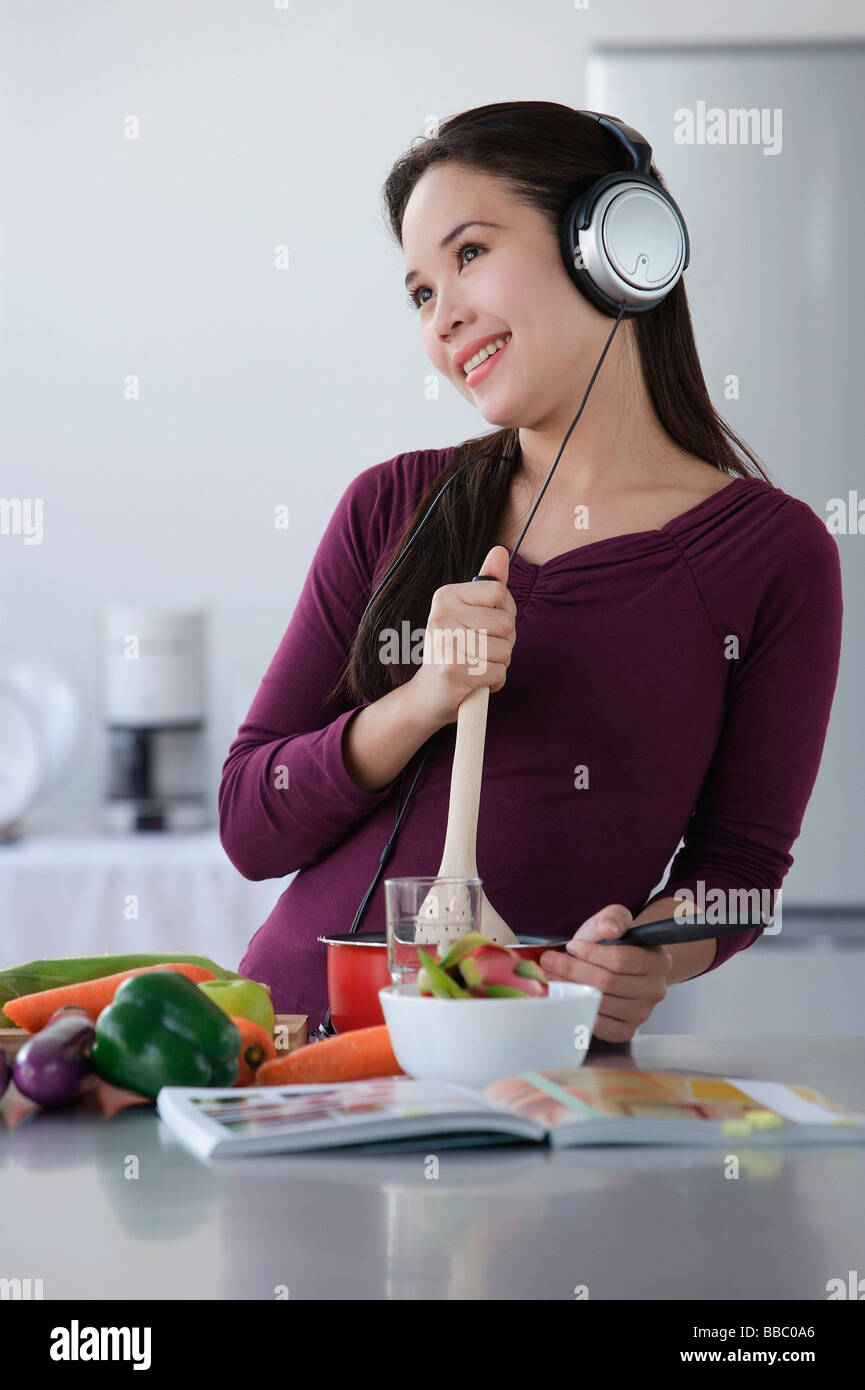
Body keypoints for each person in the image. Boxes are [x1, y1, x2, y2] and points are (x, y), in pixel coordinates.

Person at [219, 102, 843, 1041]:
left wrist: (649, 958)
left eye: (468, 254)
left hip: (525, 1059)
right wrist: (421, 699)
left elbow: (740, 869)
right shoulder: (390, 505)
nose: (444, 317)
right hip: (284, 1049)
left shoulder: (772, 554)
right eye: (420, 293)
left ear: (615, 247)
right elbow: (248, 822)